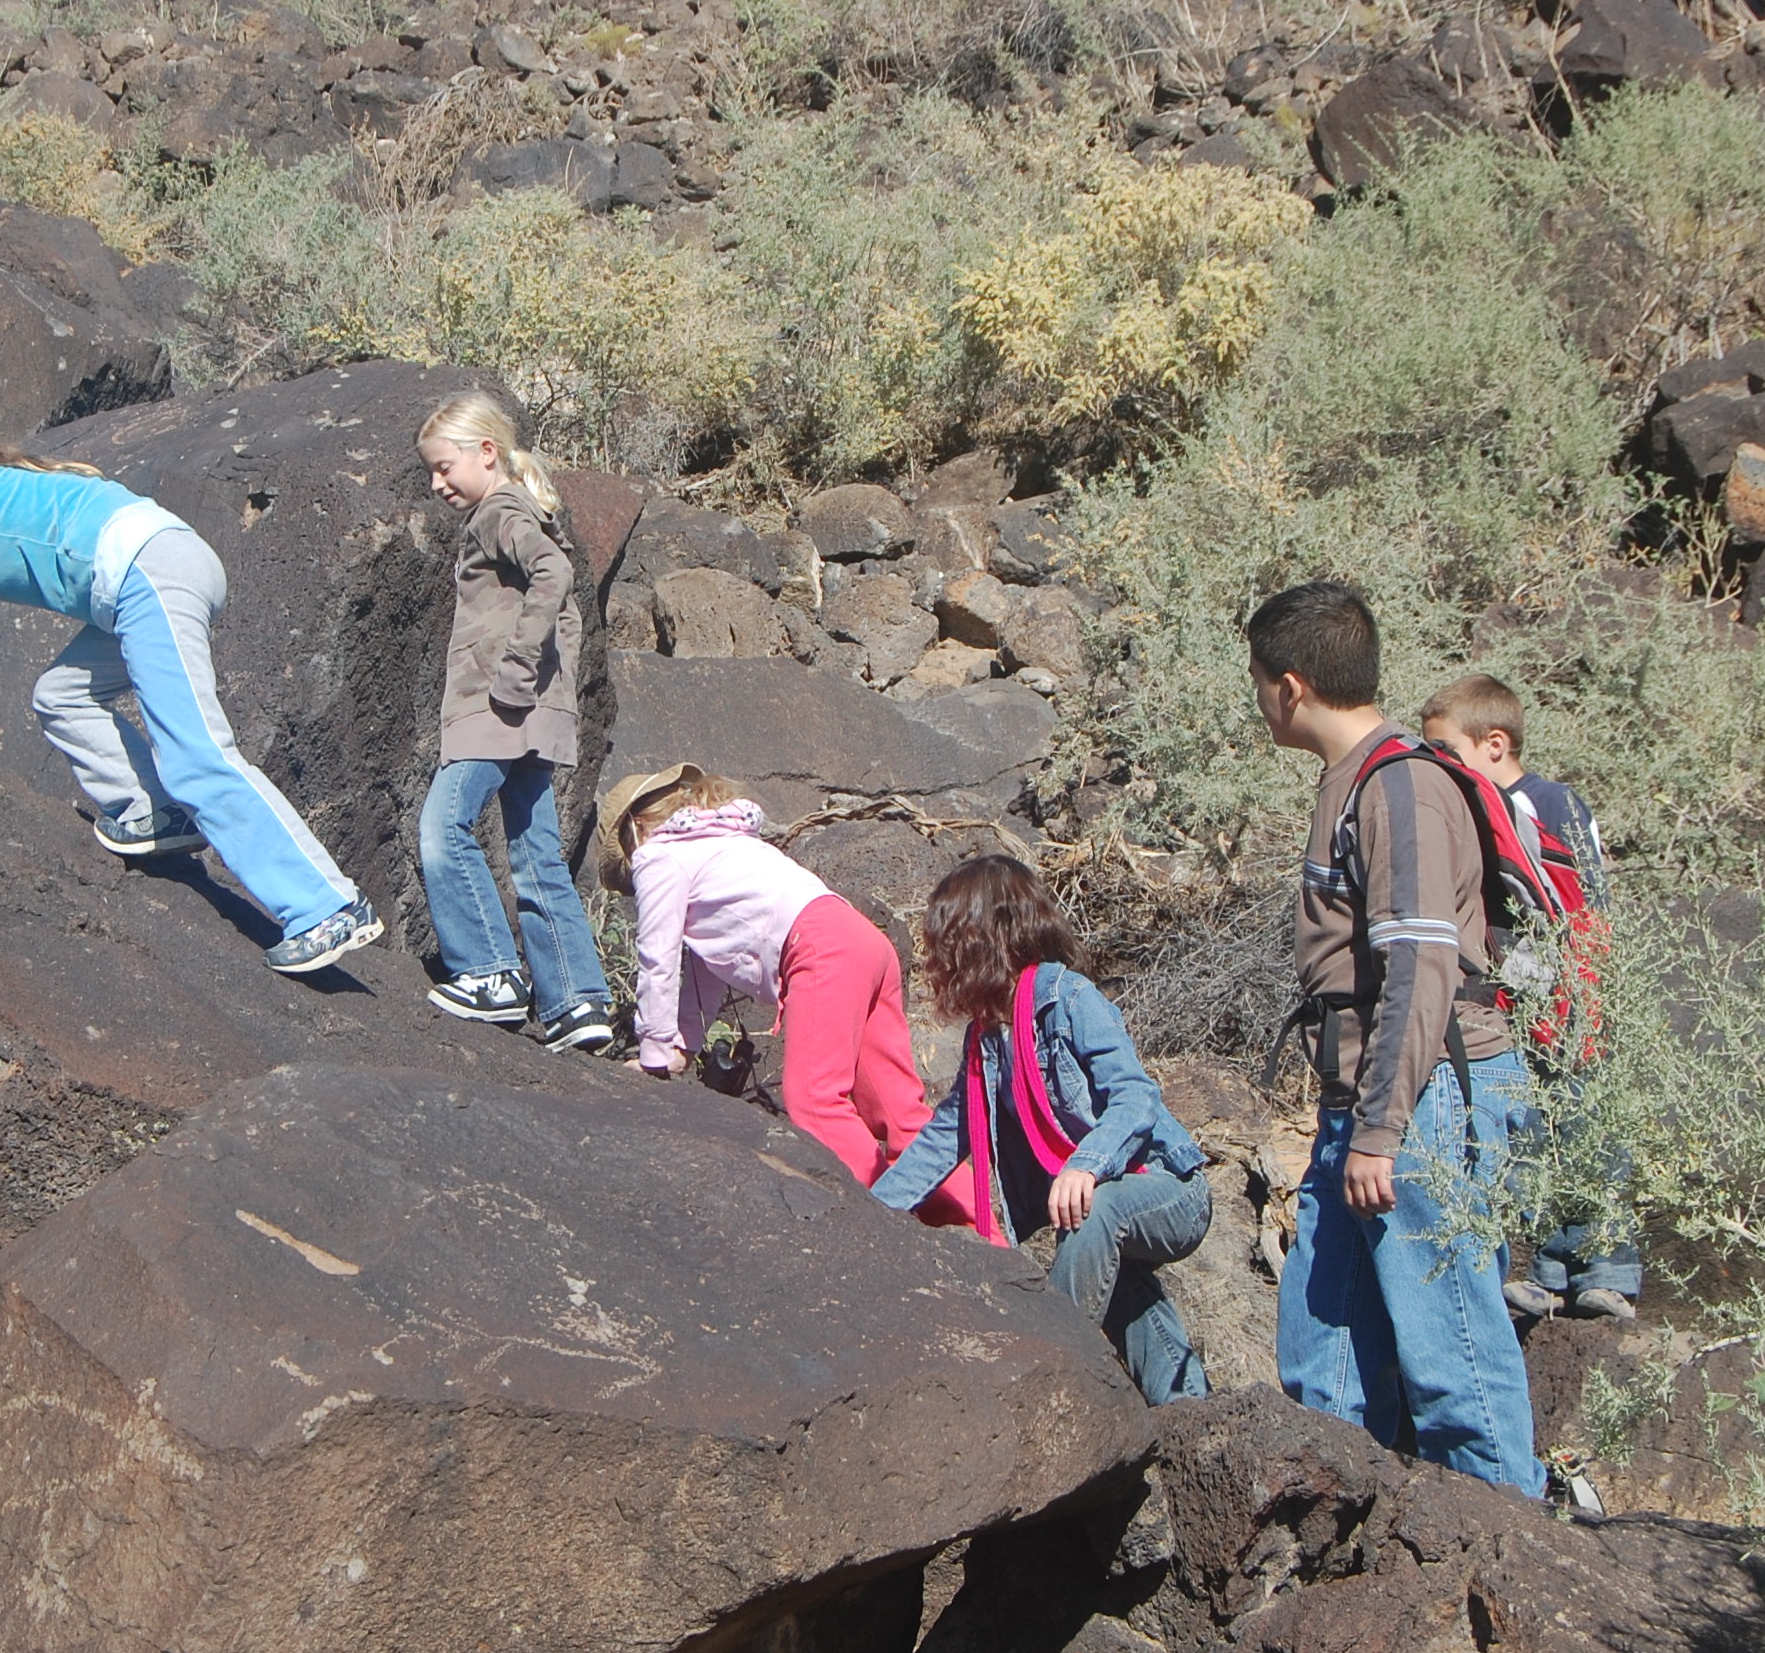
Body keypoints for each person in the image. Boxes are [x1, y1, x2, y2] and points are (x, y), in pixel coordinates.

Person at [0, 389, 383, 976]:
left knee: (196, 753)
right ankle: (156, 814)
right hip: (155, 567)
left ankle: (327, 907)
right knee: (61, 695)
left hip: (146, 574)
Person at [1250, 582, 1545, 1498]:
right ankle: (1337, 1531)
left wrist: (1381, 1129)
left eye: (1257, 682)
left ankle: (1512, 1543)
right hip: (1368, 1095)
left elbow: (1420, 969)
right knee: (1323, 1349)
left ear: (1290, 687)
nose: (1258, 701)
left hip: (1421, 1097)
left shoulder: (1400, 786)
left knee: (1451, 1346)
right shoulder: (1356, 780)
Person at [872, 856, 1215, 1404]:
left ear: (981, 940)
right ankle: (1189, 1412)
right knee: (1132, 1302)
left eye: (946, 943)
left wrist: (1086, 1165)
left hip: (1170, 1188)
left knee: (1095, 1211)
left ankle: (1048, 1369)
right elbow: (944, 1137)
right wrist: (870, 1214)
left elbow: (1136, 1097)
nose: (938, 960)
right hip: (1099, 1206)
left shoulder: (1070, 997)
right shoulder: (987, 1039)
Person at [597, 764, 935, 1188]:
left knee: (814, 1100)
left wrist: (654, 1053)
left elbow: (658, 958)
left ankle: (885, 1212)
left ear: (634, 828)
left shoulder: (657, 854)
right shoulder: (728, 837)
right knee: (898, 1108)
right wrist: (684, 1044)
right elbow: (707, 962)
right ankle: (970, 1221)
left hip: (817, 948)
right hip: (862, 939)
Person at [1420, 673, 1638, 1324]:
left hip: (1567, 1000)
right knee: (1526, 1136)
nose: (1439, 764)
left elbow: (1582, 903)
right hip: (1514, 1006)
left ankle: (1605, 1270)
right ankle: (1545, 1272)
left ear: (1495, 743)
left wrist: (1574, 992)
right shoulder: (1472, 810)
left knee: (1586, 1130)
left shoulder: (1548, 803)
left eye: (1446, 749)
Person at [413, 393, 617, 1053]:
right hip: (536, 711)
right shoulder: (522, 508)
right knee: (535, 852)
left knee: (443, 826)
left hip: (498, 705)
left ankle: (490, 970)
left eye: (444, 467)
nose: (437, 483)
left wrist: (516, 665)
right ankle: (576, 1000)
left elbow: (553, 572)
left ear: (486, 452)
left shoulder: (498, 510)